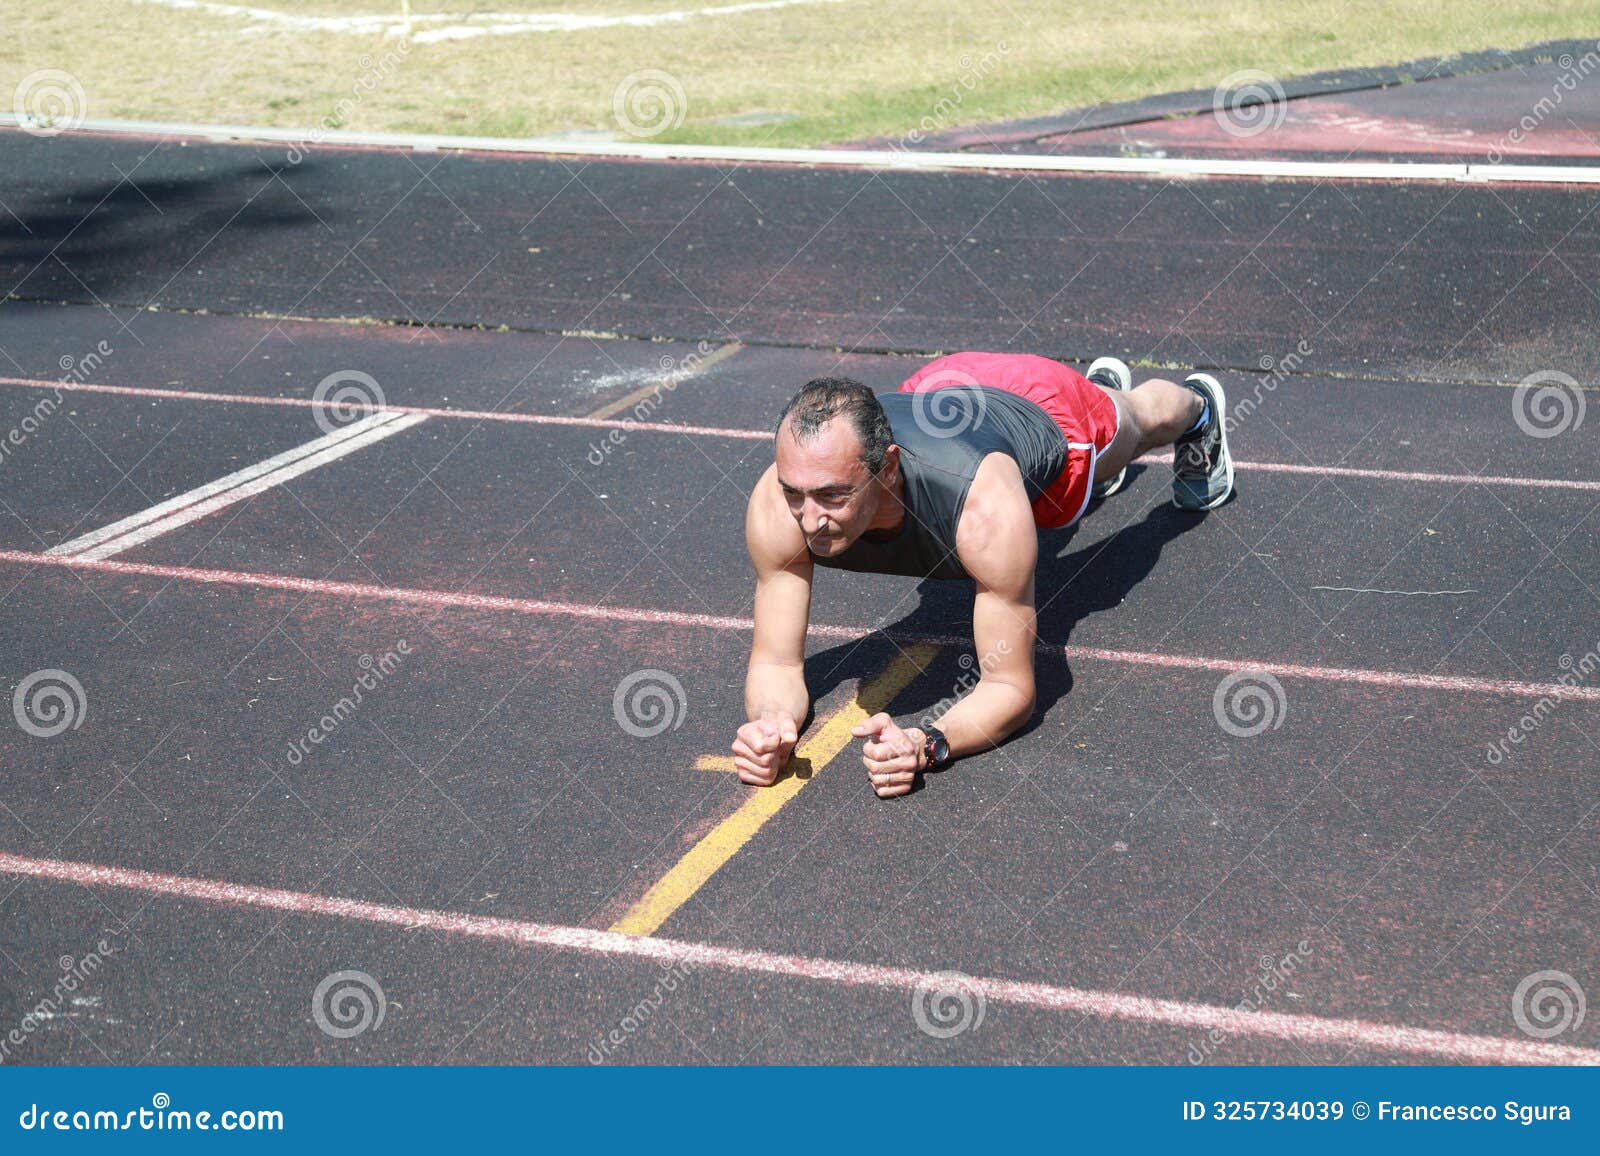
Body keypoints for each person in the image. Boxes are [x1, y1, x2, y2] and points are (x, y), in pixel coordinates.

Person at [733, 350, 1233, 798]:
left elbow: (1011, 688)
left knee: (1140, 421)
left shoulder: (982, 508)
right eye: (795, 491)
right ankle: (1102, 392)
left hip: (1044, 407)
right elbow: (775, 666)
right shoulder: (779, 506)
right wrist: (771, 724)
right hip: (941, 389)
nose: (810, 517)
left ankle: (1197, 407)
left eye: (833, 495)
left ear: (887, 469)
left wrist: (925, 744)